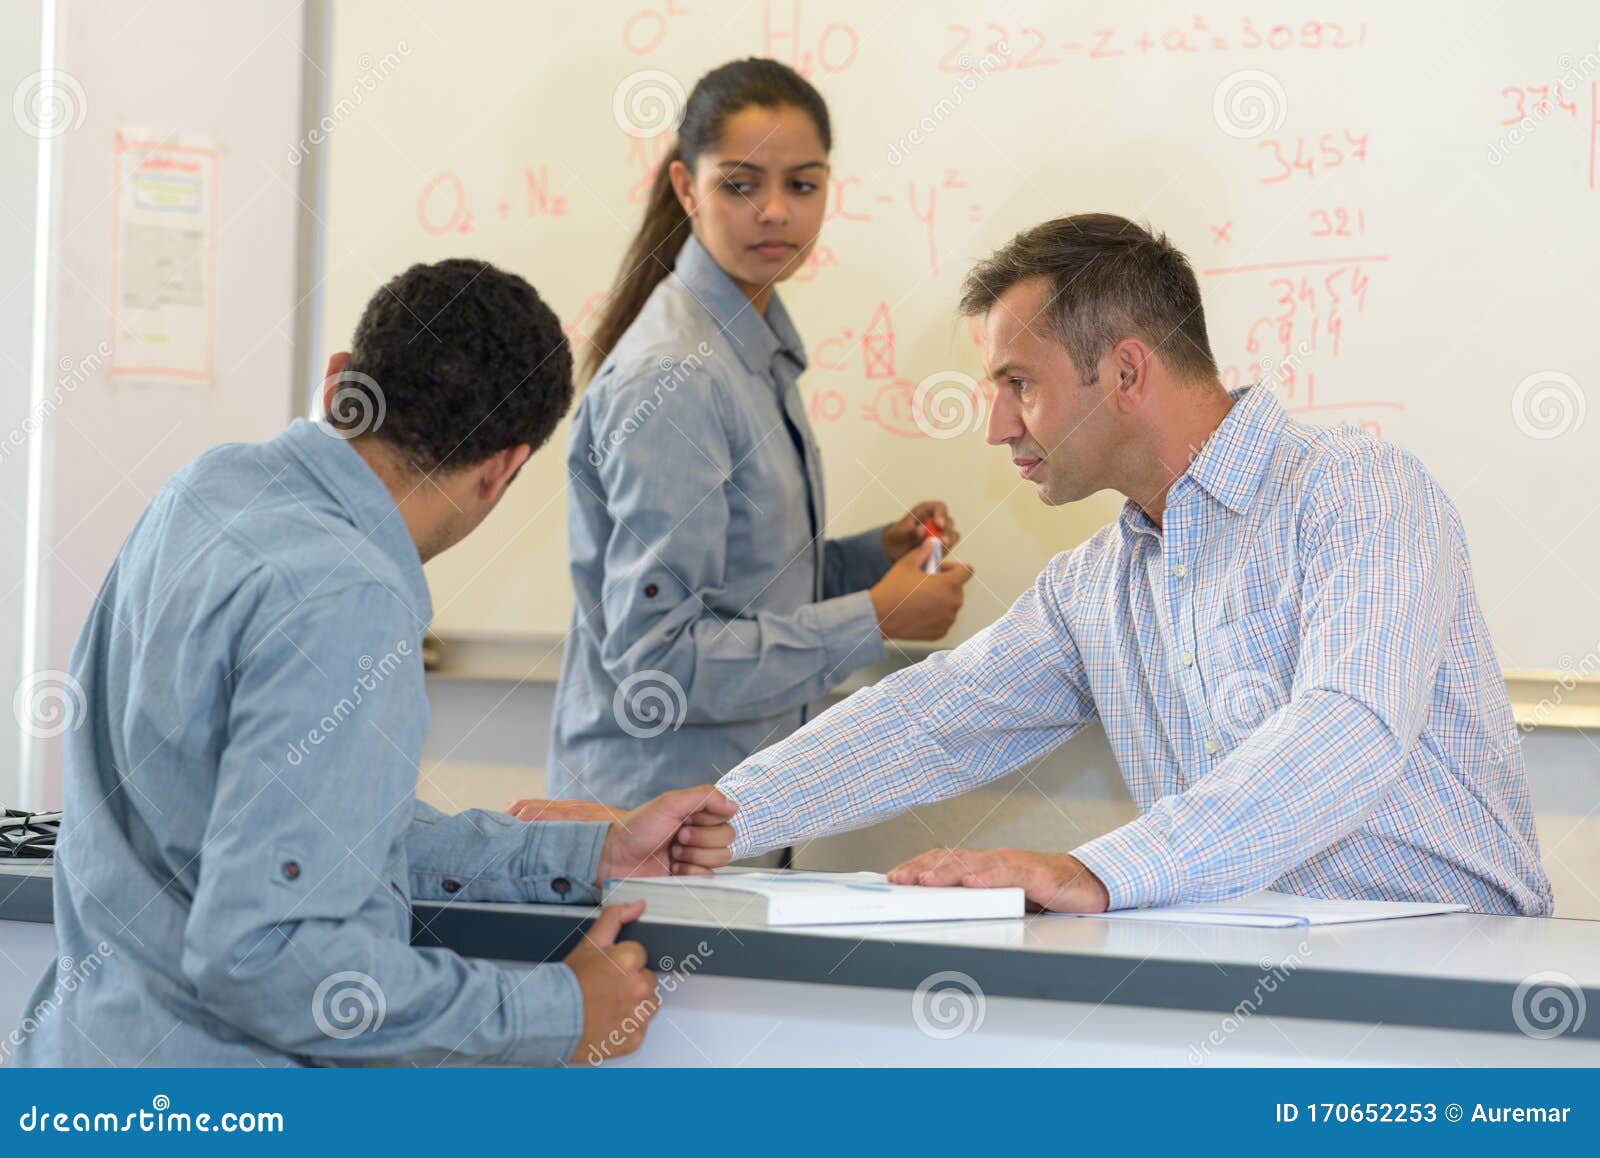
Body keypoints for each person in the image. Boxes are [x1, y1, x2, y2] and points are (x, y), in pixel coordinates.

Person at [690, 213, 1554, 917]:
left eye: (1018, 383)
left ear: (1126, 370)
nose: (995, 426)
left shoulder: (1357, 491)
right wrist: (710, 824)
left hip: (1446, 992)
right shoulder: (1094, 584)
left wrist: (1099, 871)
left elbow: (1347, 727)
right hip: (1237, 986)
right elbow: (930, 722)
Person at [10, 260, 736, 1068]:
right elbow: (269, 958)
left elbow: (293, 830)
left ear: (336, 384)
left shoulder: (206, 491)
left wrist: (582, 857)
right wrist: (553, 1013)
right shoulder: (347, 599)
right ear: (503, 469)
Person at [539, 58, 972, 810]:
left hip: (722, 813)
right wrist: (875, 619)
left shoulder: (750, 346)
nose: (775, 210)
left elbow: (743, 592)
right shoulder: (676, 377)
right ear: (685, 189)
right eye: (741, 184)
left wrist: (873, 562)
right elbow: (660, 663)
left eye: (802, 184)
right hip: (650, 823)